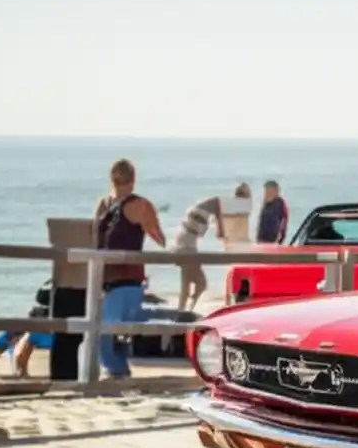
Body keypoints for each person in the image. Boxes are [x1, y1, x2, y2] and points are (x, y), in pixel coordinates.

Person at [94, 158, 165, 379]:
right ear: (133, 181)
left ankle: (117, 372)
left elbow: (93, 238)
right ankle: (119, 372)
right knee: (111, 331)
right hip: (115, 279)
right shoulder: (136, 205)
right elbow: (159, 238)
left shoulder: (110, 204)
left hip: (120, 279)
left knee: (107, 330)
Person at [172, 183, 247, 312]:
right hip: (186, 245)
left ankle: (183, 312)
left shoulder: (216, 205)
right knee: (199, 284)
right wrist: (222, 231)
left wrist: (224, 233)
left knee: (190, 284)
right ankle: (184, 312)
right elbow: (219, 214)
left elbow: (223, 224)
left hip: (185, 242)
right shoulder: (222, 203)